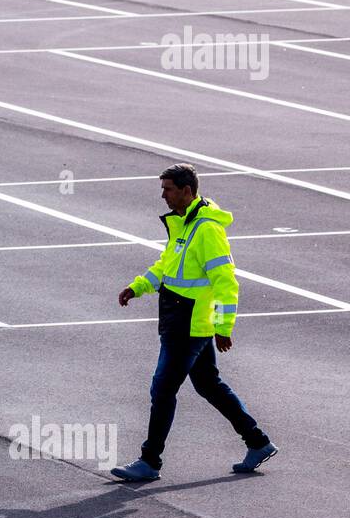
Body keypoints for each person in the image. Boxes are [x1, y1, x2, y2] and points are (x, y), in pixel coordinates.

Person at [110, 163, 277, 481]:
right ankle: (258, 442)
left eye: (168, 189)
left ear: (187, 191)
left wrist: (223, 326)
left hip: (190, 324)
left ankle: (149, 461)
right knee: (208, 385)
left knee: (162, 389)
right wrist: (138, 286)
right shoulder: (183, 223)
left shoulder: (207, 230)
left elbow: (226, 283)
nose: (163, 195)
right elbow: (167, 264)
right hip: (177, 317)